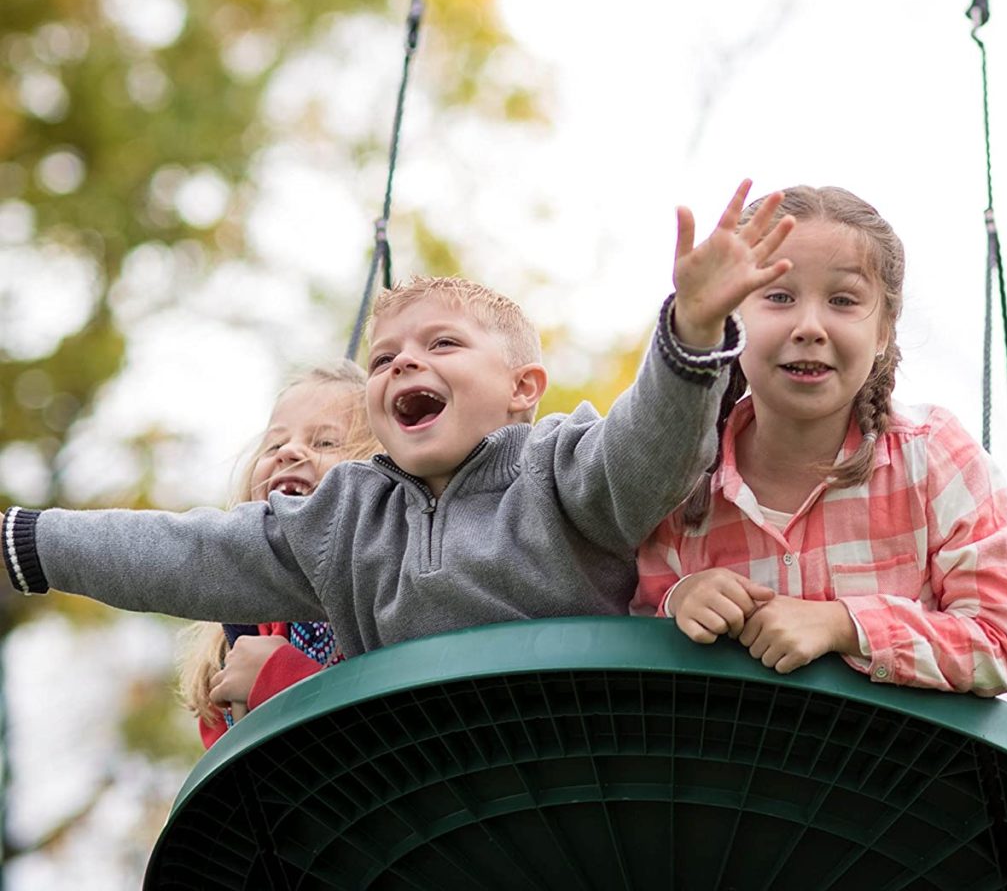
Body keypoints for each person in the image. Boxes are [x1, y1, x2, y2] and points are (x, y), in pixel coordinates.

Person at [3, 181, 794, 664]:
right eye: (383, 360)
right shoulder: (343, 524)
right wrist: (28, 541)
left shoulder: (562, 472)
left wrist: (692, 332)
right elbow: (189, 552)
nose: (404, 365)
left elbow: (652, 450)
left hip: (568, 766)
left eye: (442, 344)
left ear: (522, 387)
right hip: (417, 799)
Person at [633, 184, 1007, 697]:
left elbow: (1002, 644)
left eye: (842, 301)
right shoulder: (682, 478)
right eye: (779, 296)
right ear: (731, 318)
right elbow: (634, 644)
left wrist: (845, 625)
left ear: (884, 331)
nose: (809, 327)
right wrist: (679, 601)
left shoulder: (937, 460)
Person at [177, 360, 380, 747]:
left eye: (325, 442)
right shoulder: (231, 641)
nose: (289, 451)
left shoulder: (382, 600)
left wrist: (275, 677)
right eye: (274, 444)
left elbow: (392, 729)